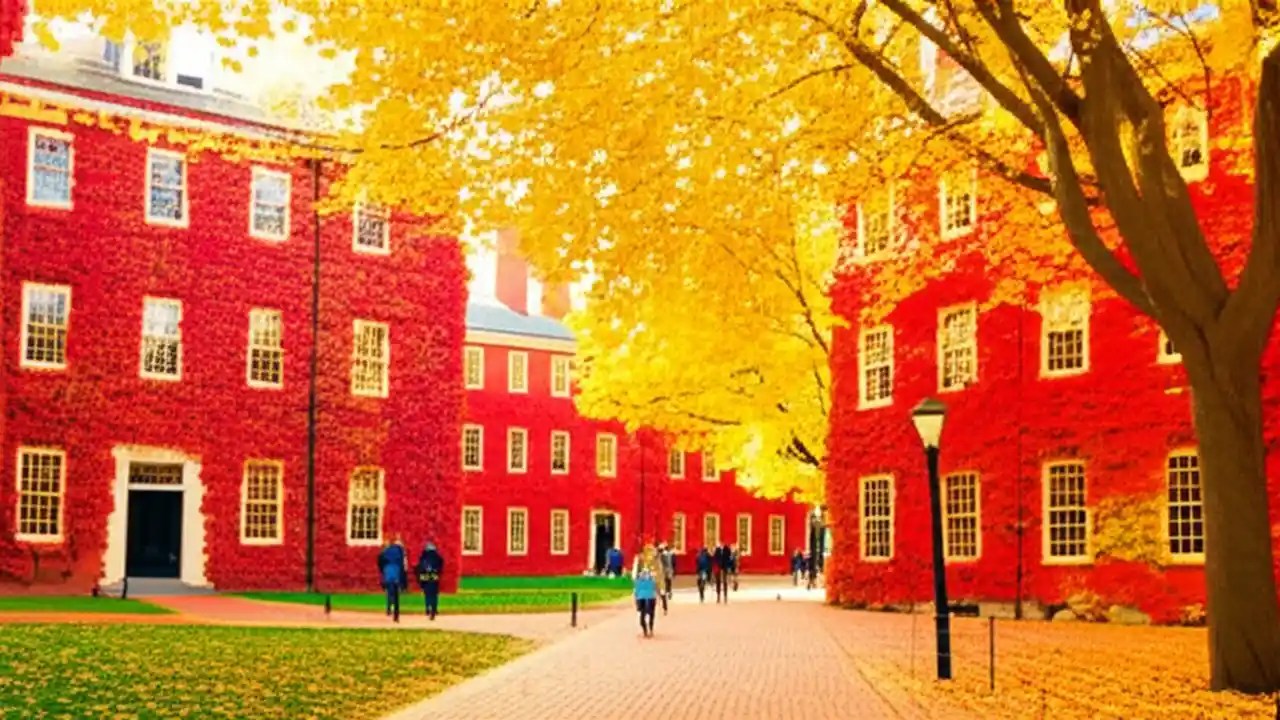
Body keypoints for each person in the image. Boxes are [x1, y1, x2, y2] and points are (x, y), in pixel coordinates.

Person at [377, 534, 408, 622]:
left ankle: (389, 608)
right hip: (396, 573)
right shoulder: (400, 552)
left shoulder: (386, 552)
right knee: (396, 594)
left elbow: (380, 559)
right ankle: (396, 615)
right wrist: (403, 580)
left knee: (389, 592)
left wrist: (383, 569)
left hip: (388, 573)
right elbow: (402, 566)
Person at [415, 540, 444, 620]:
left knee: (427, 593)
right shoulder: (437, 557)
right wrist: (438, 572)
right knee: (434, 594)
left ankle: (427, 608)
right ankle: (434, 609)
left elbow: (420, 567)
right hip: (434, 575)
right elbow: (441, 565)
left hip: (425, 576)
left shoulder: (423, 556)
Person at [634, 565, 659, 637]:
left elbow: (636, 593)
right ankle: (648, 630)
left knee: (646, 616)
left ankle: (648, 631)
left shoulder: (642, 581)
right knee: (649, 615)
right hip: (648, 599)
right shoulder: (650, 581)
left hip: (646, 599)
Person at [658, 543, 676, 614]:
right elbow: (671, 563)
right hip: (668, 571)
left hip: (663, 573)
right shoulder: (669, 554)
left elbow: (661, 565)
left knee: (663, 589)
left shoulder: (662, 556)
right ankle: (669, 592)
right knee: (668, 582)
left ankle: (664, 607)